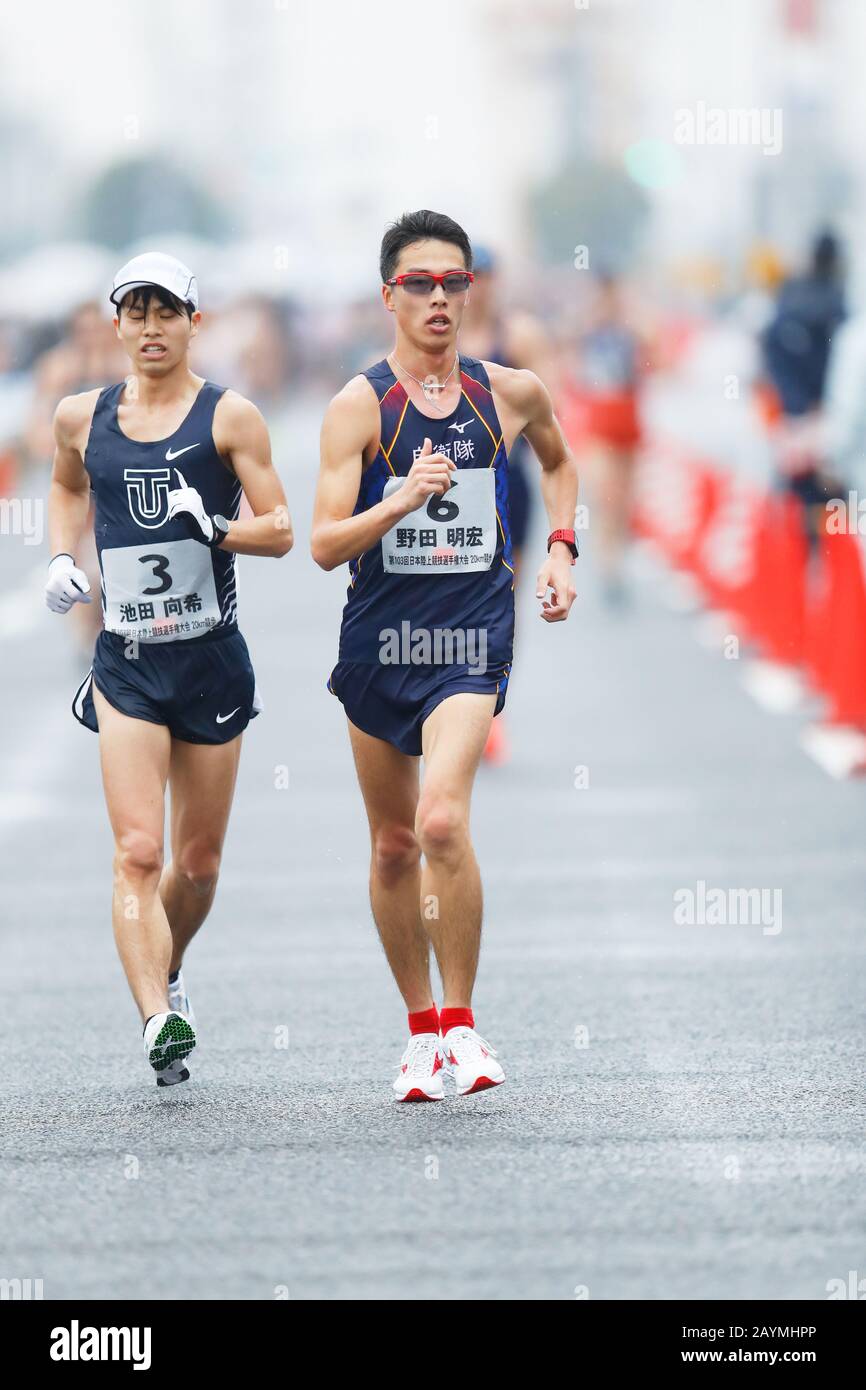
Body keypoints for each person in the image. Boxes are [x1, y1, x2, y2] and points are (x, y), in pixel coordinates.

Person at [312, 210, 578, 1102]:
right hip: (380, 639)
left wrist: (563, 549)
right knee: (391, 845)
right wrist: (397, 500)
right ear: (389, 295)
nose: (438, 299)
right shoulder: (359, 406)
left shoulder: (508, 391)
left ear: (472, 292)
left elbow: (559, 461)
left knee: (438, 823)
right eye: (419, 284)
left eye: (453, 283)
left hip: (470, 633)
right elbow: (323, 544)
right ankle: (420, 1031)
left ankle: (463, 1027)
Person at [45, 252, 293, 1086]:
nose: (151, 328)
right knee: (138, 853)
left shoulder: (231, 419)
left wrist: (215, 528)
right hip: (128, 664)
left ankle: (170, 965)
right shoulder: (81, 416)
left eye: (167, 312)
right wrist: (58, 558)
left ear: (196, 322)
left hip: (211, 660)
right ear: (116, 325)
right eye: (136, 313)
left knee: (197, 865)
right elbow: (65, 489)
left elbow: (284, 528)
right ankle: (157, 1018)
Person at [460, 245, 562, 761]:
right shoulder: (439, 337)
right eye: (468, 279)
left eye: (486, 278)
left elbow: (550, 410)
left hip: (505, 486)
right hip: (446, 488)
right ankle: (448, 705)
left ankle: (489, 707)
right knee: (447, 600)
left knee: (500, 601)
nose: (479, 289)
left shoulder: (519, 337)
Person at [578, 273, 645, 605]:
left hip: (628, 420)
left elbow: (655, 360)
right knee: (606, 496)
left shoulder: (631, 329)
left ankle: (618, 556)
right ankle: (608, 566)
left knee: (625, 500)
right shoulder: (588, 329)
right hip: (600, 424)